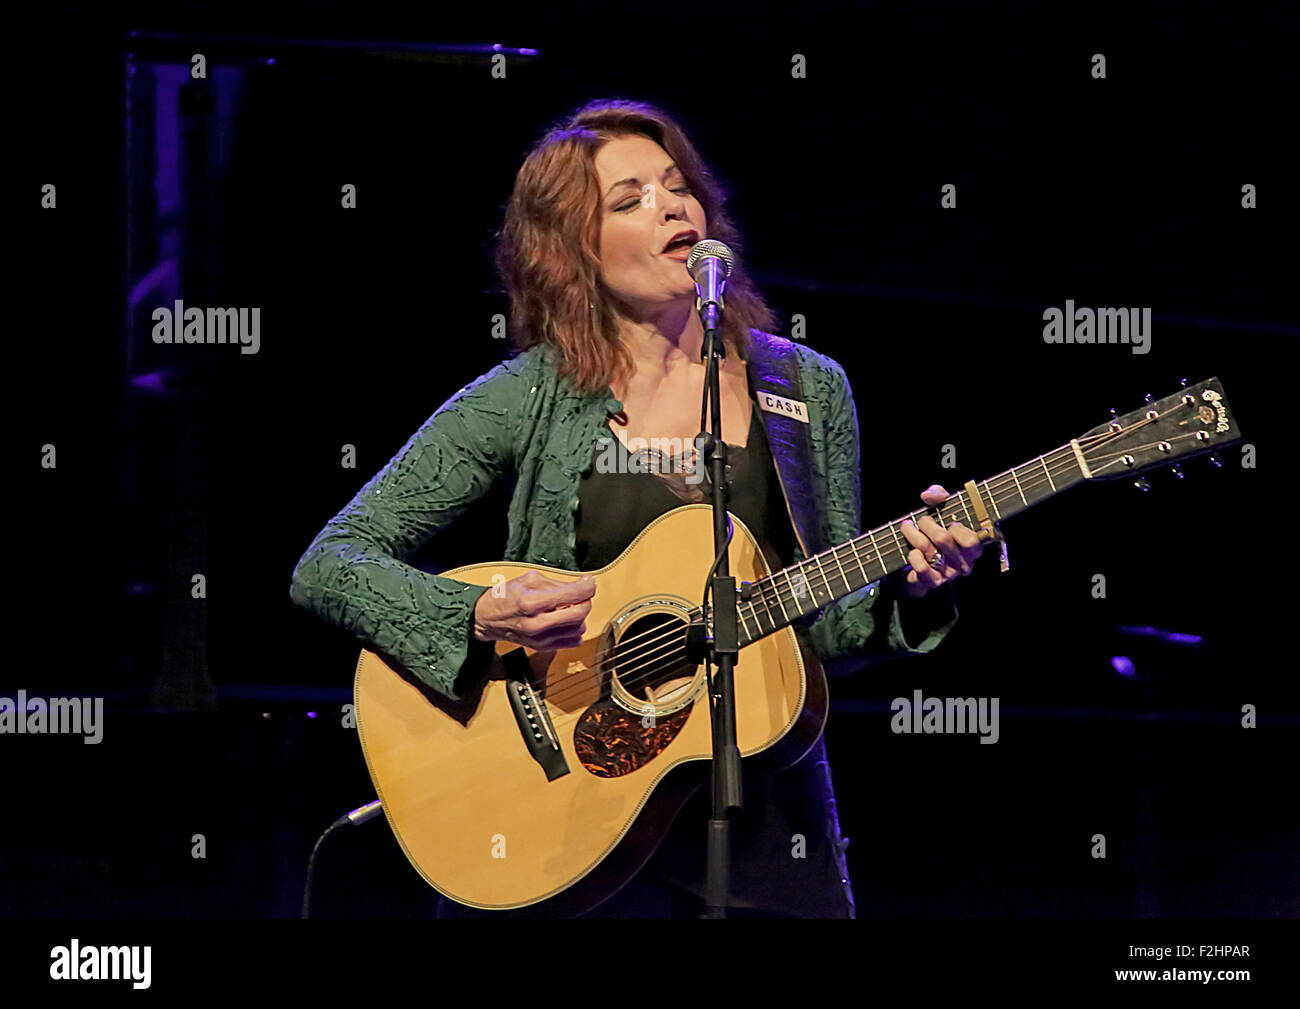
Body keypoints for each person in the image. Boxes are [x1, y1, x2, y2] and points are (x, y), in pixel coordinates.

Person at [289, 98, 989, 918]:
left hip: (763, 837)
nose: (671, 206)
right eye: (629, 201)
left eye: (677, 186)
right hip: (559, 819)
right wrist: (480, 612)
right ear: (573, 250)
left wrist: (917, 586)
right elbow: (332, 561)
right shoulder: (535, 392)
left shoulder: (807, 389)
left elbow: (828, 624)